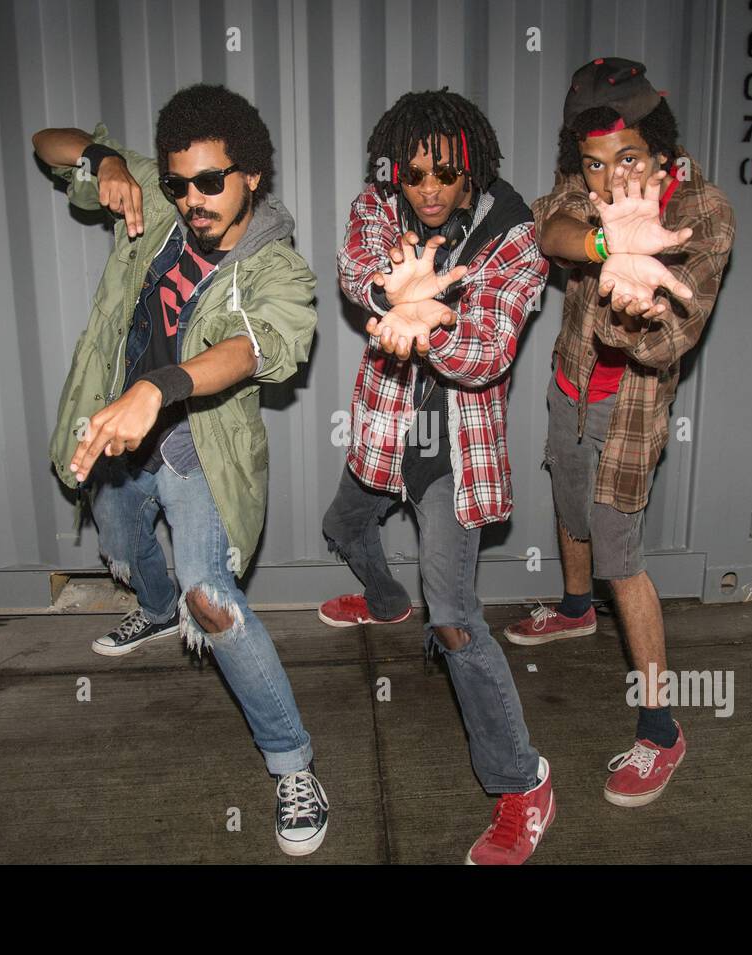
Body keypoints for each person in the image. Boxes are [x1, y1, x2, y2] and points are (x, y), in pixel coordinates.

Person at [34, 84, 328, 856]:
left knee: (212, 596)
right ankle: (154, 608)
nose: (191, 200)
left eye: (210, 182)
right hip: (116, 434)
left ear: (251, 175)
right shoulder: (158, 207)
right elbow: (46, 139)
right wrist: (101, 160)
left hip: (195, 452)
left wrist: (159, 388)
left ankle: (293, 763)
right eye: (176, 182)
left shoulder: (276, 266)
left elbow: (267, 344)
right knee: (126, 547)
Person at [320, 88, 554, 865]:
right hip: (386, 426)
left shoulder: (513, 237)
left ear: (472, 171)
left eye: (444, 175)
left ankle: (524, 784)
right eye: (415, 172)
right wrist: (393, 289)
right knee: (343, 526)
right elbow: (355, 267)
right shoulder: (381, 207)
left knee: (452, 616)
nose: (427, 189)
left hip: (456, 451)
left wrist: (437, 323)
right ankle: (386, 601)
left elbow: (489, 353)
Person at [509, 58, 735, 808]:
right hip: (569, 385)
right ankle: (576, 612)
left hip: (630, 412)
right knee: (568, 507)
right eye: (595, 163)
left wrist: (636, 304)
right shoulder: (589, 186)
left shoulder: (704, 211)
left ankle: (661, 725)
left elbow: (674, 341)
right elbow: (549, 225)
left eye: (626, 159)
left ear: (661, 152)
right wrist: (606, 244)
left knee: (620, 553)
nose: (608, 179)